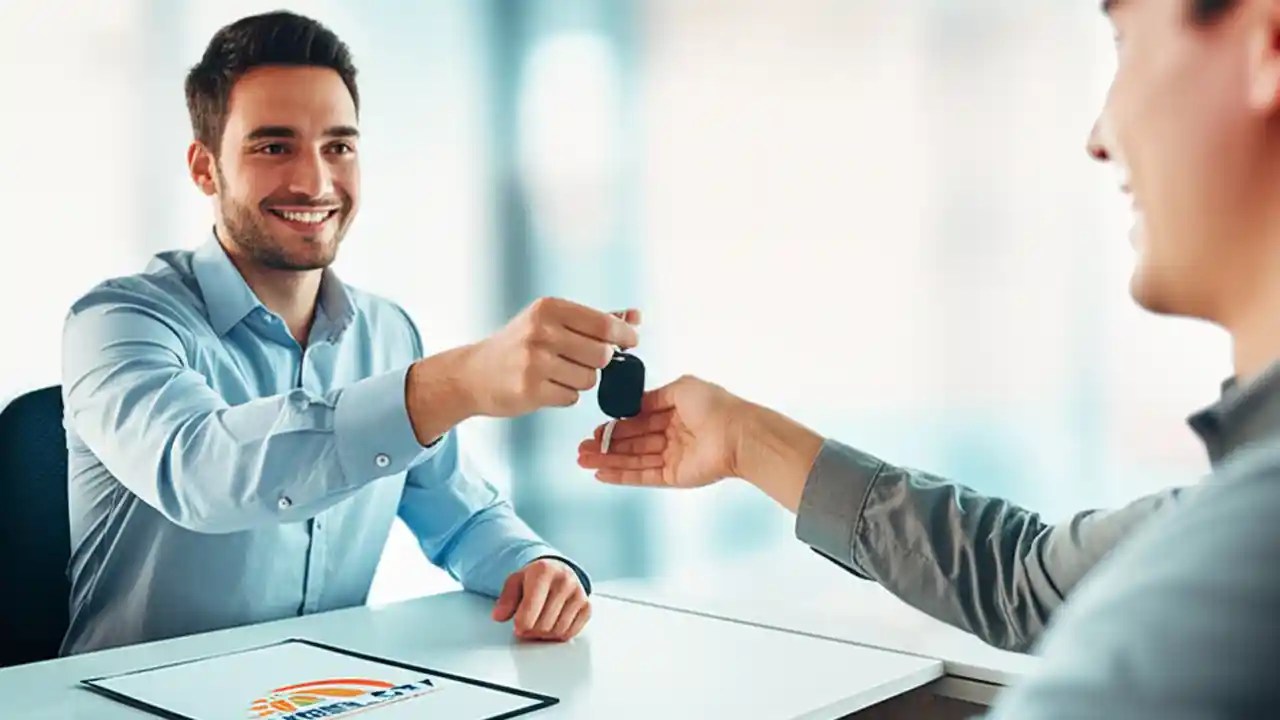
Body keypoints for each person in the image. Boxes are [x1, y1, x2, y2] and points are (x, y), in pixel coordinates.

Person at [580, 0, 1280, 712]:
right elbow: (1026, 580)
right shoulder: (1227, 516)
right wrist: (743, 440)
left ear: (1268, 44)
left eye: (1125, 41)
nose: (1099, 135)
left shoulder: (1245, 550)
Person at [59, 11, 639, 655]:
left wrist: (534, 568)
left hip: (313, 691)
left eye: (338, 146)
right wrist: (456, 383)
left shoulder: (387, 333)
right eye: (274, 147)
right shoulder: (117, 323)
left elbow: (460, 515)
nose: (314, 181)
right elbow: (203, 474)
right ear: (204, 168)